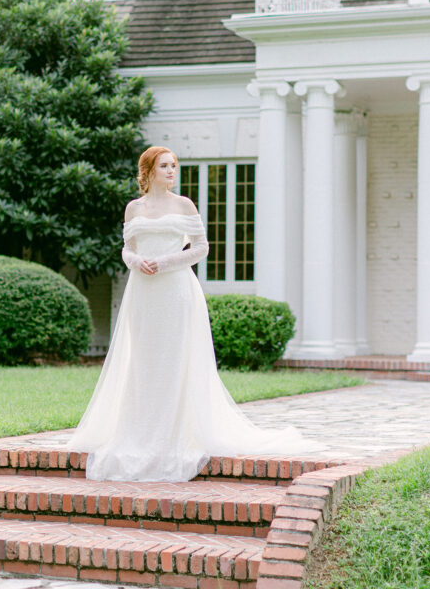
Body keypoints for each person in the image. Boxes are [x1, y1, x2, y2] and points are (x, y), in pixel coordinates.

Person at [72, 145, 307, 481]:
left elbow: (201, 248)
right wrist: (136, 262)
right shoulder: (133, 208)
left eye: (175, 166)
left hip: (176, 291)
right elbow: (128, 248)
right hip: (142, 293)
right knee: (143, 361)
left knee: (175, 359)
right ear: (149, 170)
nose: (172, 171)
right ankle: (139, 431)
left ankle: (176, 433)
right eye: (165, 166)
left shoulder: (184, 205)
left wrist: (165, 262)